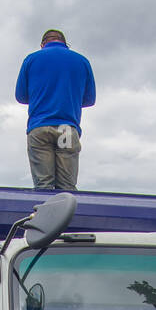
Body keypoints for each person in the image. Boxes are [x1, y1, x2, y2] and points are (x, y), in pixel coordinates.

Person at [15, 29, 96, 192]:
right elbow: (89, 100)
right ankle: (65, 216)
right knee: (67, 188)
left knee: (43, 186)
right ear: (65, 44)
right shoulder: (82, 61)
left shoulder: (31, 60)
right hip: (66, 128)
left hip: (39, 127)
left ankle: (47, 215)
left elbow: (21, 96)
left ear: (42, 44)